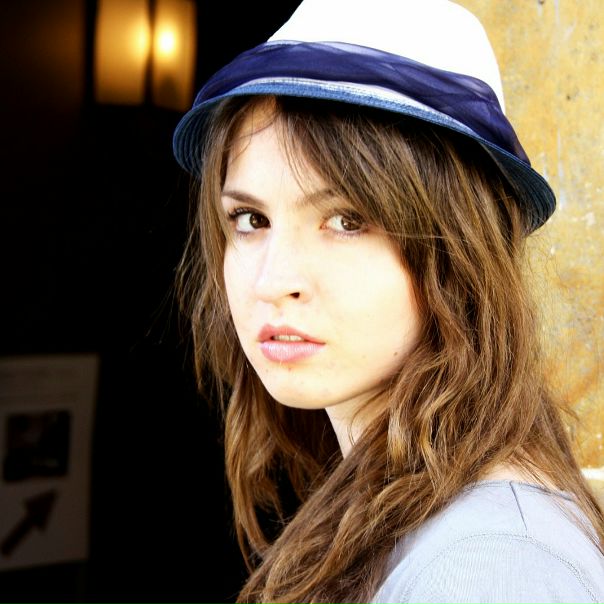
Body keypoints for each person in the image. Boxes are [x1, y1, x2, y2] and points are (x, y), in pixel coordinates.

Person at [172, 0, 604, 602]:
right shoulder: (406, 517)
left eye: (347, 220)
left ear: (459, 252)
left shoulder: (491, 567)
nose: (272, 281)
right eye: (250, 219)